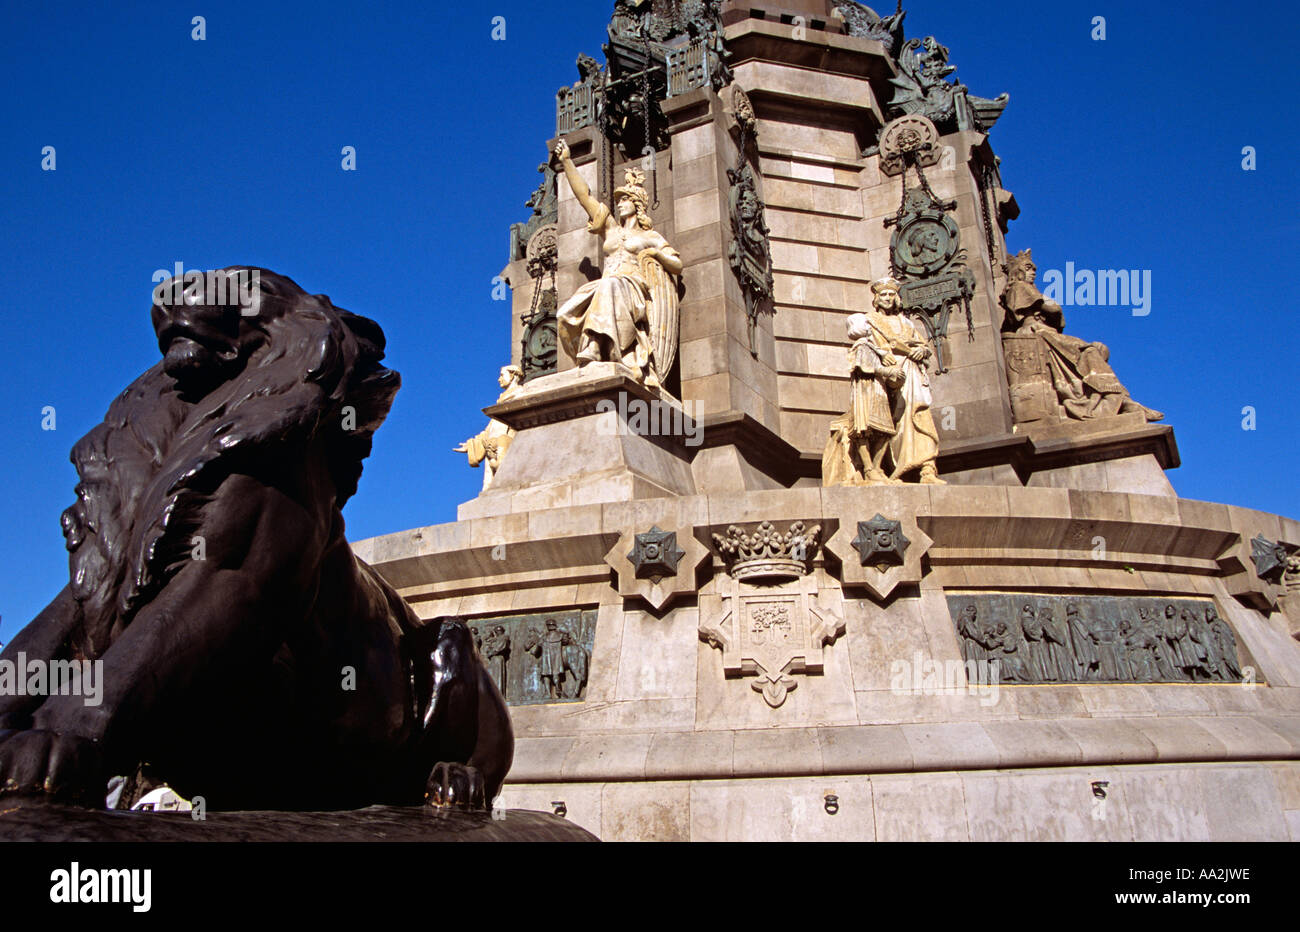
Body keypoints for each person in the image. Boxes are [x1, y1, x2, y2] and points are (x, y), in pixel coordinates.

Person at [551, 139, 682, 389]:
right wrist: (567, 161)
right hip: (607, 286)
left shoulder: (649, 237)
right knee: (564, 314)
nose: (619, 203)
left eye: (624, 199)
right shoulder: (610, 228)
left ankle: (593, 348)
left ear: (637, 204)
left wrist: (654, 252)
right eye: (618, 200)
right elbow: (584, 197)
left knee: (610, 286)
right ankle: (593, 347)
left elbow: (677, 264)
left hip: (632, 288)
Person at [1000, 249, 1162, 421]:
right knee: (1090, 351)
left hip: (1047, 334)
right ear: (1018, 271)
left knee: (1097, 349)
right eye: (1028, 268)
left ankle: (1112, 400)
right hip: (1039, 334)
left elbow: (1058, 317)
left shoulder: (1030, 290)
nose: (1033, 272)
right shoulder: (1020, 287)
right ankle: (1115, 401)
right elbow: (1054, 309)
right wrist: (1049, 306)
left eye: (1034, 269)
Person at [454, 365, 523, 490]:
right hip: (492, 451)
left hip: (505, 449)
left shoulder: (521, 394)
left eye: (502, 375)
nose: (499, 379)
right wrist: (471, 445)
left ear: (513, 375)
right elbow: (489, 431)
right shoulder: (501, 402)